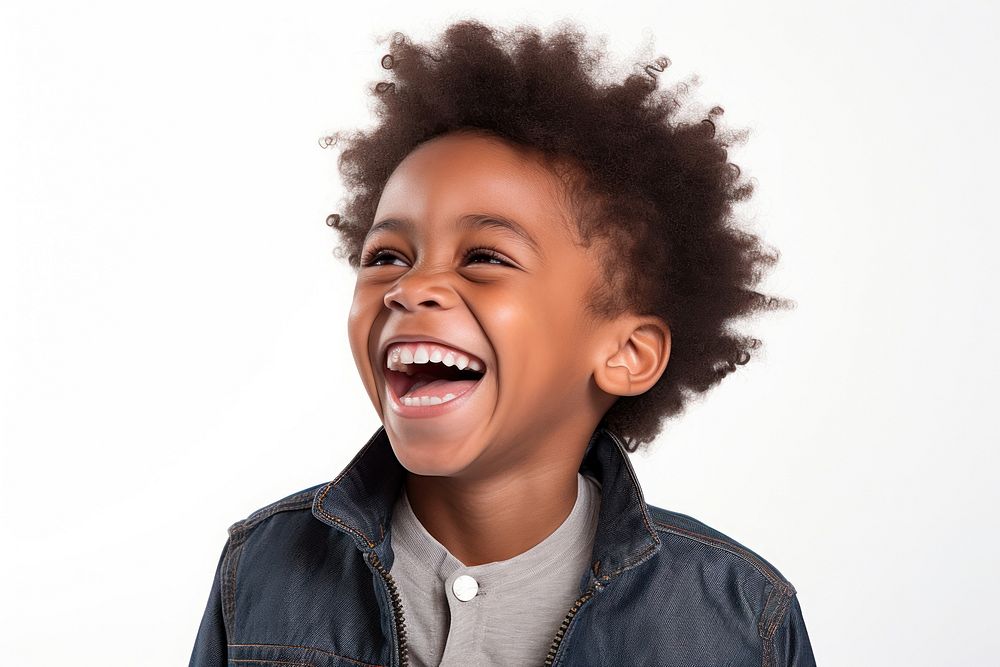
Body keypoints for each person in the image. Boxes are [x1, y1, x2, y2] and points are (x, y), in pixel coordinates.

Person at [189, 18, 815, 667]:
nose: (411, 287)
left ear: (626, 353)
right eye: (385, 256)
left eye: (485, 256)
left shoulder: (740, 617)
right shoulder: (260, 566)